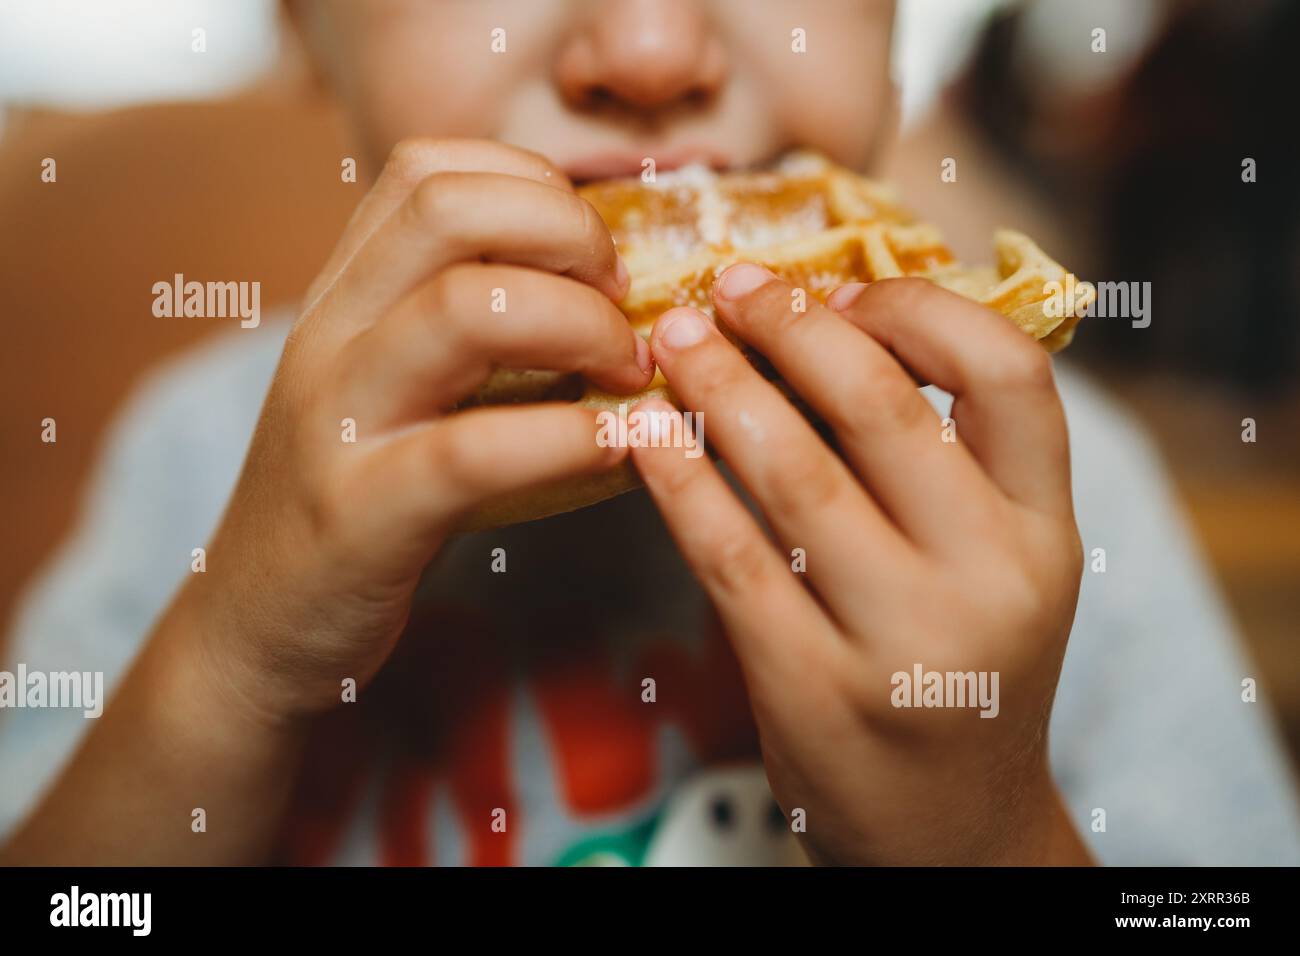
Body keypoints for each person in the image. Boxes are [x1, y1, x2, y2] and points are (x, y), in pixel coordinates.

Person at [1, 0, 1296, 866]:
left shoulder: (1051, 486)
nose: (651, 49)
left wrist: (991, 832)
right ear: (303, 26)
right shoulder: (202, 454)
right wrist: (235, 662)